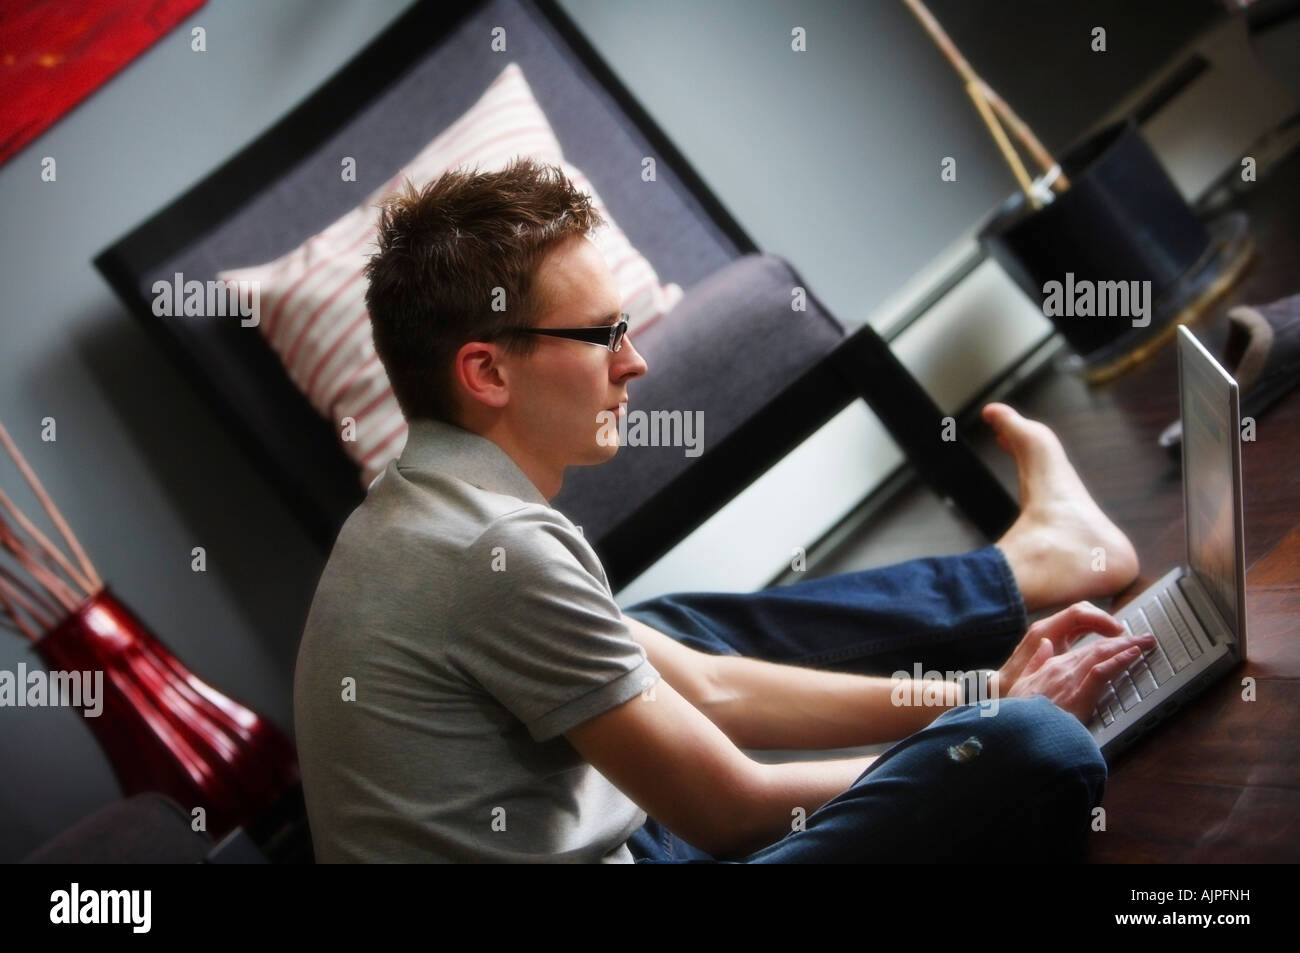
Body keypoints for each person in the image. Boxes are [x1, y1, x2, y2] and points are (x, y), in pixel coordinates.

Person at [292, 156, 1156, 863]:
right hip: (659, 842)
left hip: (622, 833)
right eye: (601, 335)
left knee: (667, 635)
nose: (634, 362)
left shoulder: (416, 508)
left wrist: (978, 689)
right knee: (1039, 746)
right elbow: (733, 811)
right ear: (487, 371)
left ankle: (1025, 567)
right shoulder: (497, 552)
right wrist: (987, 725)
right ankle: (1020, 629)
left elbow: (710, 685)